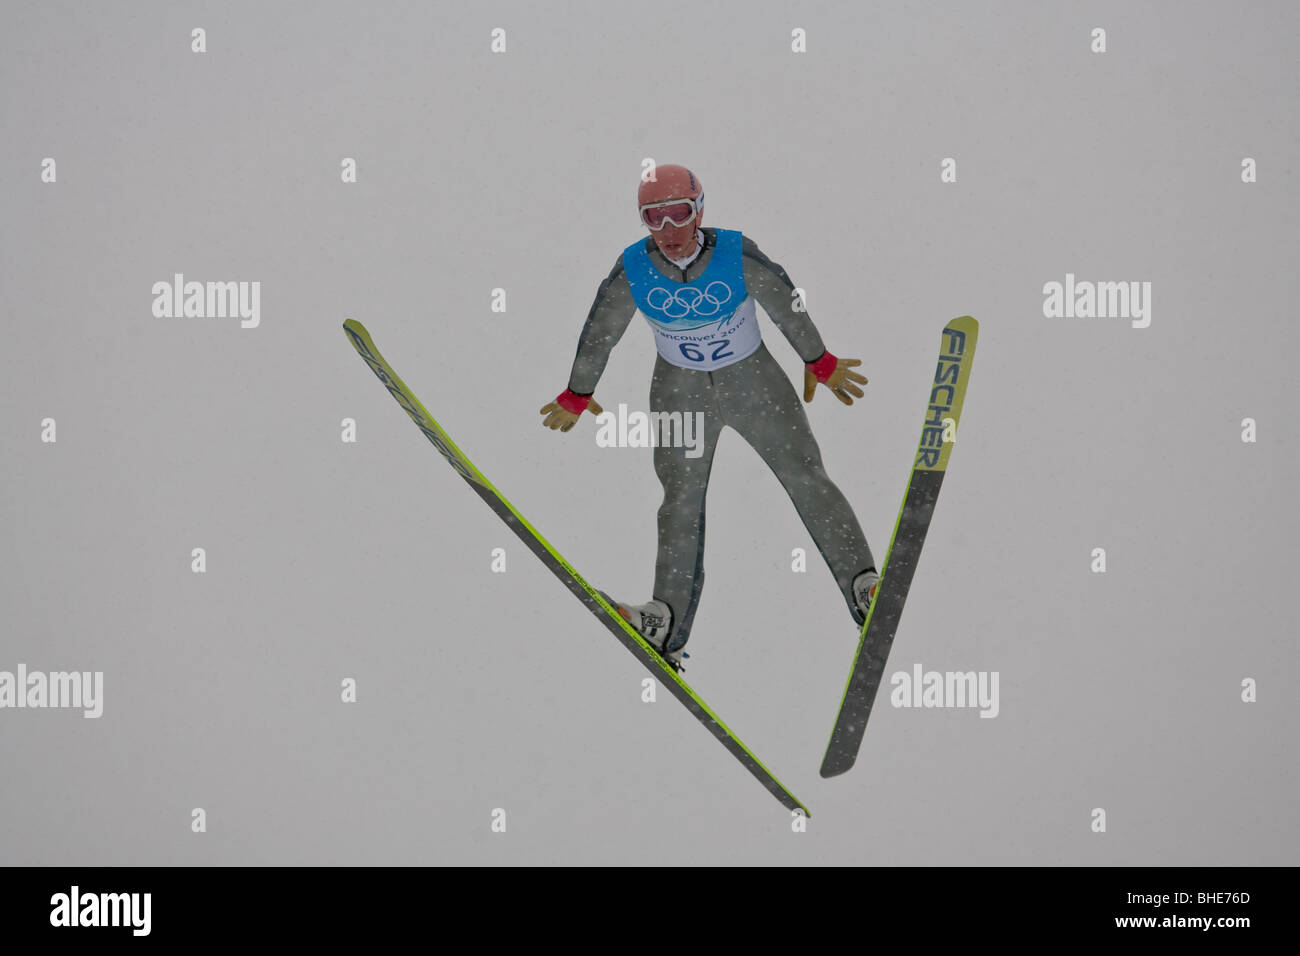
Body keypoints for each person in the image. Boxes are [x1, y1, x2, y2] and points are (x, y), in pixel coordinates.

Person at [539, 164, 877, 670]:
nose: (669, 231)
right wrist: (578, 392)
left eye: (680, 214)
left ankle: (862, 586)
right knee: (680, 501)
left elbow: (786, 302)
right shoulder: (634, 267)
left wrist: (819, 359)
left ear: (700, 211)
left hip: (754, 383)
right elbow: (601, 328)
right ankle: (664, 622)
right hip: (680, 392)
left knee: (806, 479)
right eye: (655, 219)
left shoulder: (734, 254)